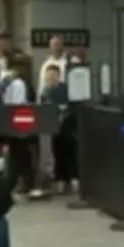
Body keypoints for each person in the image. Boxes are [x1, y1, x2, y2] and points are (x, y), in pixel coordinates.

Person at [0, 51, 38, 198]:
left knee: (17, 153)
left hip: (8, 119)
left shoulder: (5, 80)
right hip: (18, 120)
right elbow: (19, 104)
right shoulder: (18, 82)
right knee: (20, 153)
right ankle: (22, 182)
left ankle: (19, 182)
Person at [40, 64, 76, 194]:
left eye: (53, 74)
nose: (50, 77)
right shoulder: (45, 91)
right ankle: (58, 179)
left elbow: (70, 107)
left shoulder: (65, 89)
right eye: (48, 75)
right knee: (56, 152)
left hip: (66, 126)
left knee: (68, 152)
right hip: (52, 126)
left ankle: (69, 180)